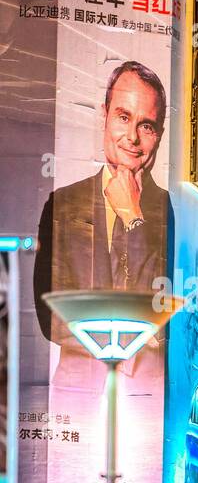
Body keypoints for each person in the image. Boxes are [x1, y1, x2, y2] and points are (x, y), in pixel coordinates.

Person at [33, 59, 174, 345]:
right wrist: (122, 337)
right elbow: (49, 319)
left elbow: (160, 324)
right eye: (123, 117)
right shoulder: (63, 204)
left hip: (145, 375)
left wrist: (132, 216)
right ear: (104, 116)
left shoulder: (169, 208)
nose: (132, 137)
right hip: (79, 374)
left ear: (159, 135)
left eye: (146, 126)